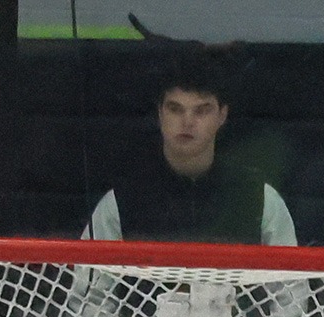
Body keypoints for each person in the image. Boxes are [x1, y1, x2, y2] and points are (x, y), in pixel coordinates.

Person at [80, 56, 295, 246]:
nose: (187, 122)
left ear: (222, 115)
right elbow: (87, 291)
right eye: (175, 109)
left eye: (202, 110)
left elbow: (291, 291)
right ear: (160, 114)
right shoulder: (121, 202)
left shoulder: (259, 199)